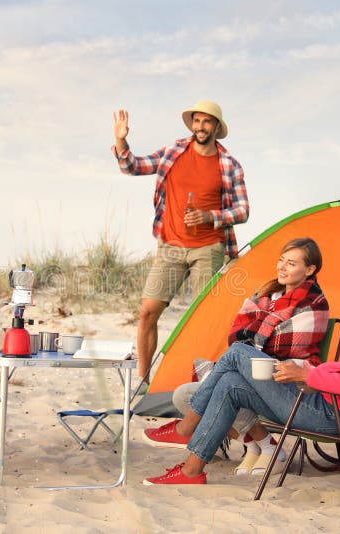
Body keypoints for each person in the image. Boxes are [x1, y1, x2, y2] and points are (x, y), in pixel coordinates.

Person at [142, 237, 340, 485]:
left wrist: (308, 377)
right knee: (231, 383)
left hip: (331, 415)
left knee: (236, 354)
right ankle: (191, 471)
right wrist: (312, 370)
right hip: (330, 405)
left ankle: (186, 429)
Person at [144, 238, 329, 475]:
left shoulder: (314, 303)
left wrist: (248, 351)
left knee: (234, 363)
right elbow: (237, 333)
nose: (281, 267)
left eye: (291, 263)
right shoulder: (266, 293)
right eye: (281, 260)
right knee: (184, 395)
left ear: (310, 269)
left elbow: (285, 349)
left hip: (287, 379)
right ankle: (261, 445)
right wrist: (249, 351)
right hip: (254, 371)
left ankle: (187, 428)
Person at [112, 100, 250, 388]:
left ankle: (203, 383)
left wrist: (209, 216)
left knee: (203, 319)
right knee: (148, 311)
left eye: (206, 122)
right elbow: (133, 167)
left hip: (209, 248)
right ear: (192, 125)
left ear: (216, 128)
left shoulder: (229, 165)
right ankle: (142, 379)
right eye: (196, 121)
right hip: (171, 246)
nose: (200, 127)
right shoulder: (172, 153)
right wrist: (121, 139)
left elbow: (242, 211)